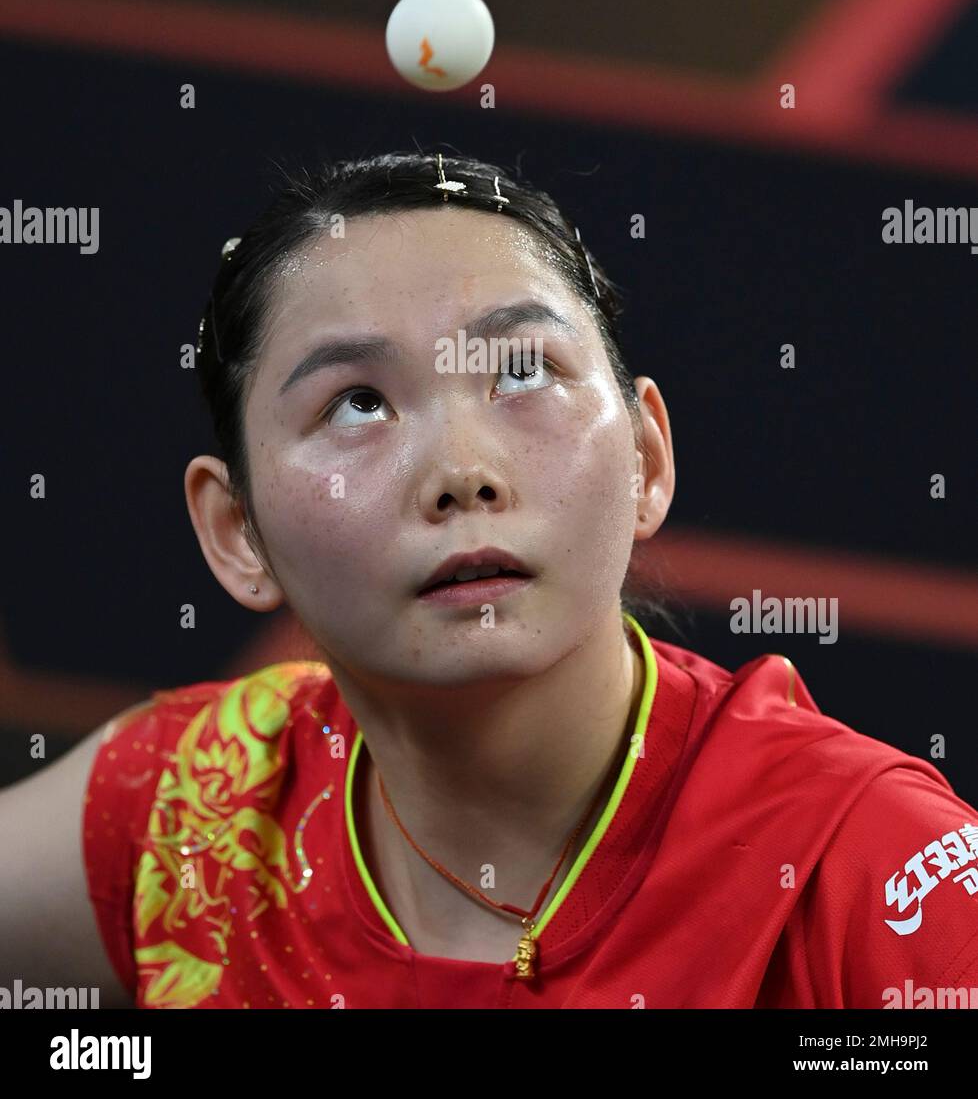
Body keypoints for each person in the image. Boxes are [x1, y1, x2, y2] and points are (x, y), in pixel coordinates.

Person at [2, 150, 977, 1010]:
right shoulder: (198, 809)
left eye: (520, 370)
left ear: (646, 456)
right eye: (355, 402)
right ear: (237, 531)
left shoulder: (865, 864)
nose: (462, 470)